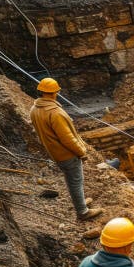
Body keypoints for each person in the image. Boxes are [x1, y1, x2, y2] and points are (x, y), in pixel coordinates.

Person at [29, 77, 103, 220]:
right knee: (75, 181)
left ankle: (80, 203)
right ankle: (83, 211)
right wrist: (81, 153)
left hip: (54, 152)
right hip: (66, 154)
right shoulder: (54, 113)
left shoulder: (34, 109)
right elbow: (67, 138)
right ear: (53, 93)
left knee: (71, 180)